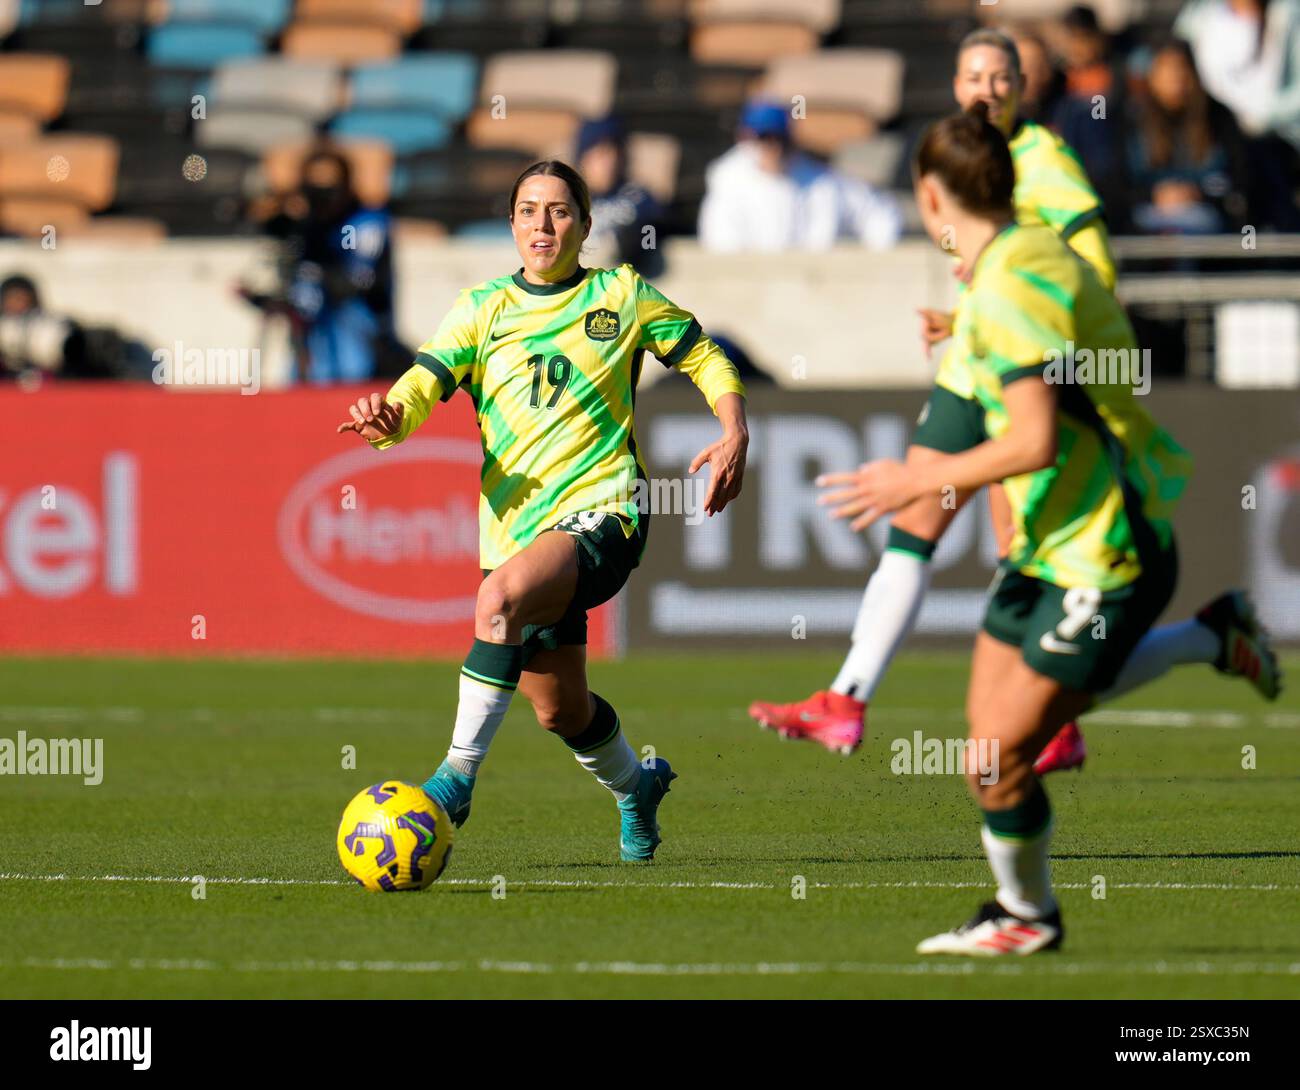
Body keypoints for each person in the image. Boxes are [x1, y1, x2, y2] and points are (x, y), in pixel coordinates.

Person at [817, 108, 1277, 955]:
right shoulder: (1019, 260)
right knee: (995, 752)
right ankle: (1210, 637)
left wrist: (913, 477)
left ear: (931, 196)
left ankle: (1028, 916)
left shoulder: (1008, 283)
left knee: (999, 756)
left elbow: (1028, 437)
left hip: (1103, 547)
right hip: (1046, 541)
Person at [337, 160, 748, 861]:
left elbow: (703, 354)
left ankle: (453, 782)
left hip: (606, 513)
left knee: (497, 600)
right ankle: (637, 788)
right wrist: (387, 418)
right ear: (511, 224)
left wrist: (734, 426)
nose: (543, 225)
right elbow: (419, 389)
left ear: (586, 225)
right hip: (517, 533)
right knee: (561, 709)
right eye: (529, 210)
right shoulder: (483, 308)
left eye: (560, 211)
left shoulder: (620, 296)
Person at [749, 29, 1116, 771]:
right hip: (972, 366)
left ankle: (1057, 716)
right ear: (955, 87)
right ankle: (846, 701)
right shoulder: (962, 160)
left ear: (1024, 87)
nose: (986, 88)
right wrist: (963, 319)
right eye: (973, 75)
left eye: (1001, 77)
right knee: (916, 526)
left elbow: (1094, 270)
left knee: (1019, 543)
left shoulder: (1046, 165)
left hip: (1027, 375)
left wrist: (1043, 334)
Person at [250, 147, 404, 383]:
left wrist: (318, 250)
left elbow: (357, 280)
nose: (323, 198)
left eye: (330, 188)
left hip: (359, 336)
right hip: (309, 340)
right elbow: (288, 285)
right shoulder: (302, 226)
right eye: (314, 189)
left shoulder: (366, 221)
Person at [697, 100, 902, 252]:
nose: (772, 148)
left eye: (778, 138)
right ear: (745, 138)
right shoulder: (728, 186)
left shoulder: (821, 183)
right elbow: (722, 253)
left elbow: (880, 214)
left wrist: (869, 265)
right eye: (763, 138)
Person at [1175, 0, 1300, 228]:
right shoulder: (1200, 19)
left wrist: (1264, 117)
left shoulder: (1289, 14)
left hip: (1284, 139)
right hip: (1222, 134)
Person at [1127, 40, 1249, 234]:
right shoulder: (1132, 119)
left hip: (1207, 218)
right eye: (1166, 70)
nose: (1175, 78)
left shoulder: (1219, 118)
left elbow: (1236, 180)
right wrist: (1154, 195)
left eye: (1181, 69)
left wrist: (1197, 193)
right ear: (1152, 76)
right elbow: (1119, 184)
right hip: (1147, 214)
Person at [575, 115, 665, 276]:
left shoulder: (639, 199)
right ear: (583, 159)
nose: (610, 162)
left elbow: (653, 230)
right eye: (601, 155)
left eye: (616, 153)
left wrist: (640, 244)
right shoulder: (570, 199)